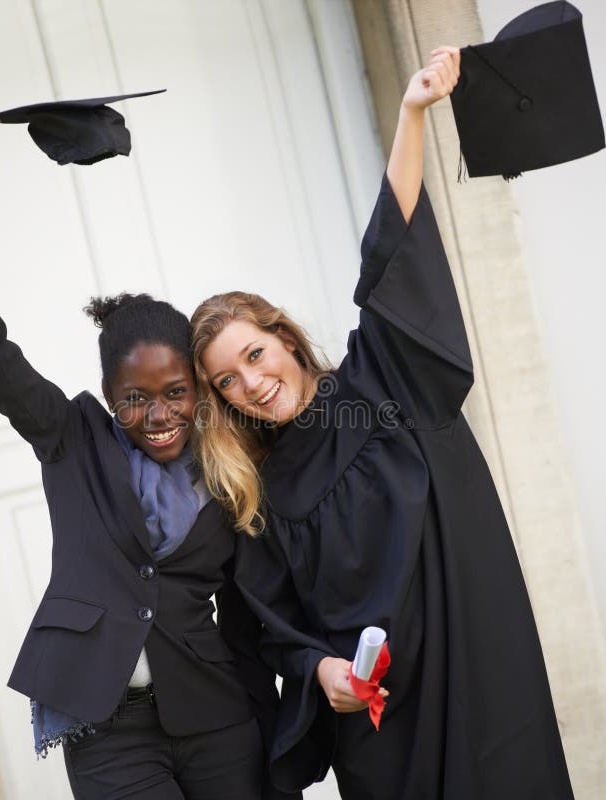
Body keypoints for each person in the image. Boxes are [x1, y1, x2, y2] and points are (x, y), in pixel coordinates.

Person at [191, 47, 575, 799]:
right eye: (226, 381)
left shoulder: (384, 385)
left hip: (476, 676)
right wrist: (321, 670)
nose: (252, 383)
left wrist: (412, 114)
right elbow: (272, 629)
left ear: (286, 337)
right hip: (382, 729)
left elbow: (390, 250)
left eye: (256, 354)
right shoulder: (260, 498)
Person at [0, 110, 294, 800]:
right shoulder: (69, 437)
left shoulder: (229, 459)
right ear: (106, 393)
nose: (157, 416)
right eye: (135, 398)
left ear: (197, 384)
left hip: (215, 714)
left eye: (176, 391)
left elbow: (252, 612)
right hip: (108, 726)